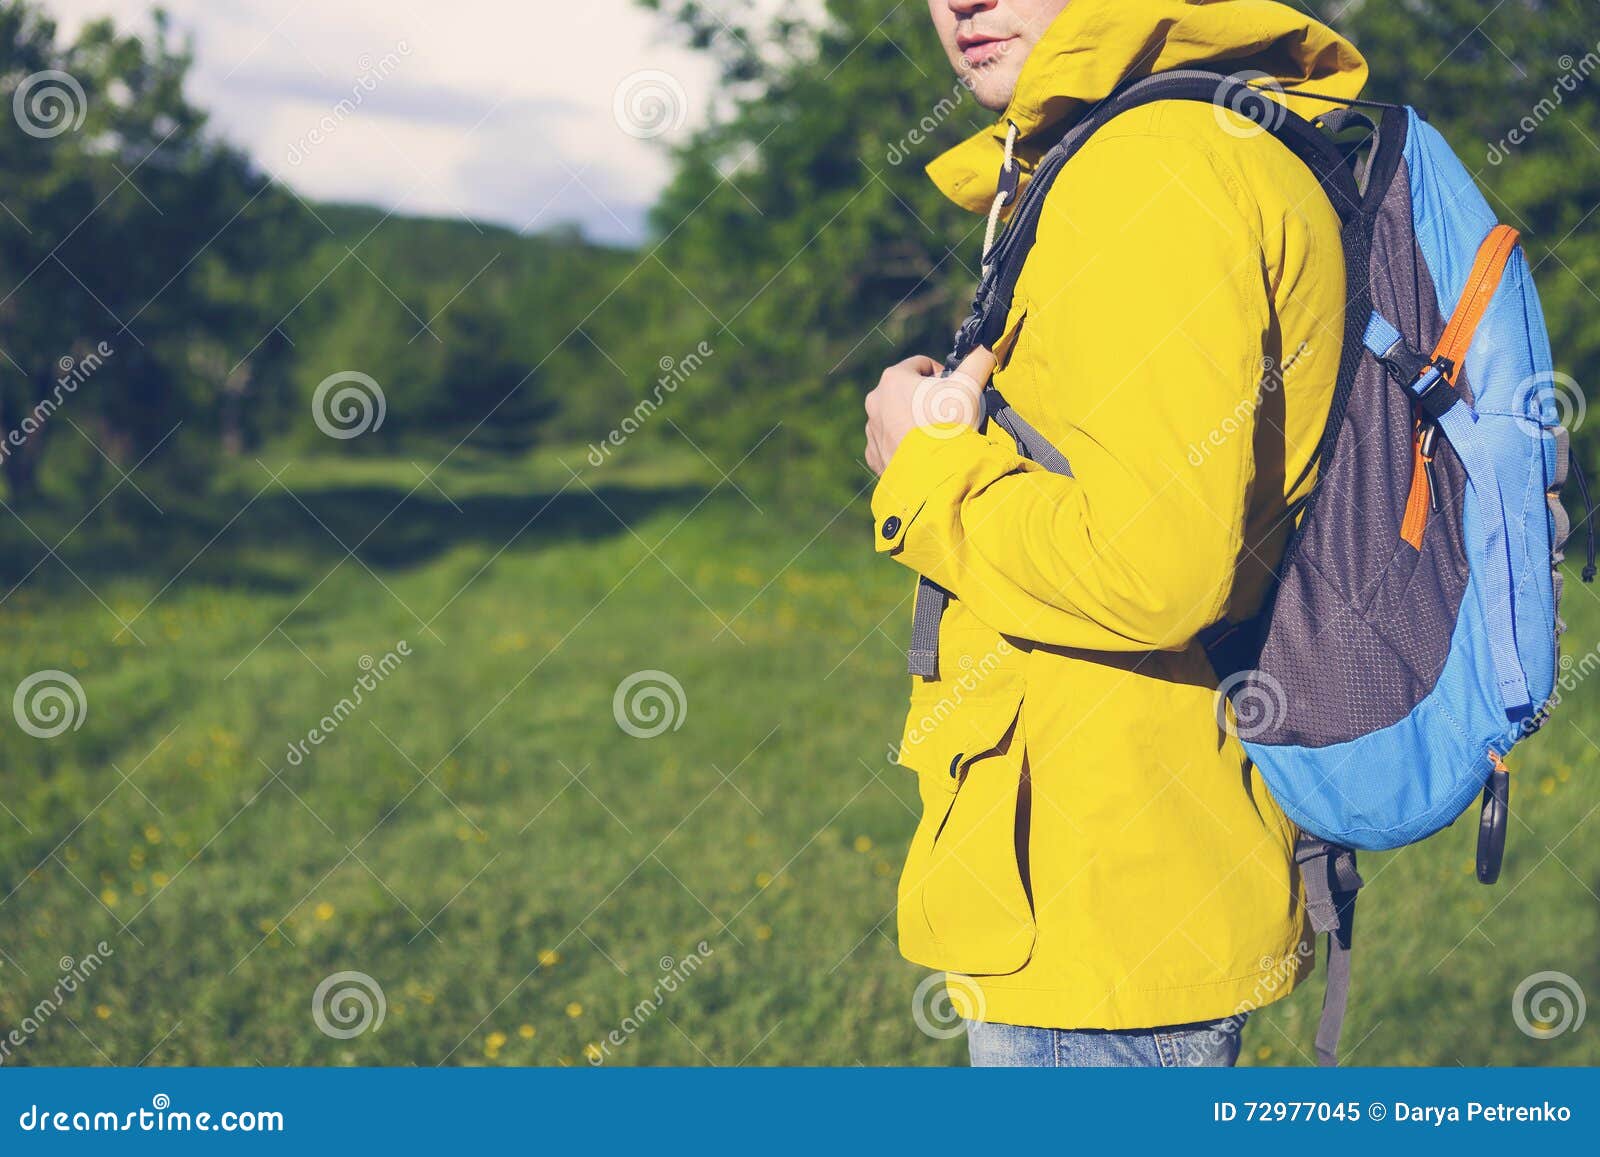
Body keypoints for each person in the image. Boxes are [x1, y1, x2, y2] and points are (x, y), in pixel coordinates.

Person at [862, 0, 1368, 1067]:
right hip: (1117, 865)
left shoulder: (1151, 166)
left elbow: (1149, 572)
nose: (958, 0)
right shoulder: (1187, 138)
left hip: (1104, 892)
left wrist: (924, 465)